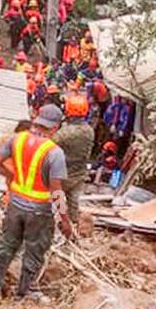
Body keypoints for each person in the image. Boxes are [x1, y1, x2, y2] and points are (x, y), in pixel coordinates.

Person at [0, 104, 70, 299]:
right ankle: (22, 293)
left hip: (15, 204)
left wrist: (12, 176)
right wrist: (64, 219)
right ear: (54, 128)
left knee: (7, 245)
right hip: (40, 211)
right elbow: (56, 190)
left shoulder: (17, 139)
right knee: (34, 250)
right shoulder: (54, 153)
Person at [54, 89, 95, 223]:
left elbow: (50, 145)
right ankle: (72, 229)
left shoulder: (65, 132)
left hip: (63, 173)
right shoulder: (89, 131)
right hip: (80, 172)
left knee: (54, 200)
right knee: (73, 203)